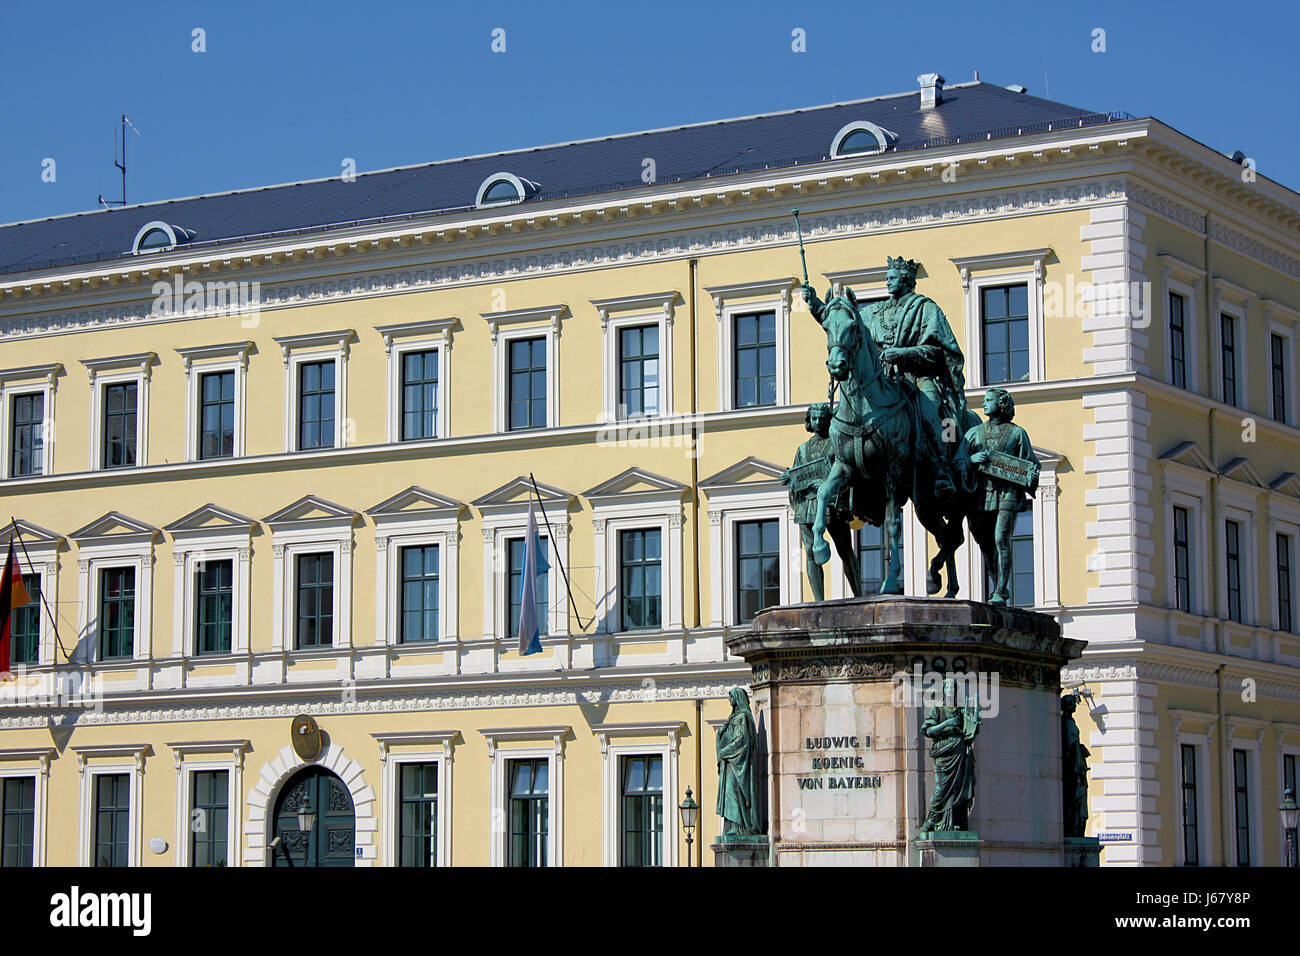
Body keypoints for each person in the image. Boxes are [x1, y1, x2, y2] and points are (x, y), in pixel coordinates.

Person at [803, 256, 974, 498]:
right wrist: (816, 306)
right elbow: (843, 324)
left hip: (918, 377)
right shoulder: (875, 311)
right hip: (883, 381)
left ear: (906, 280)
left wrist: (904, 353)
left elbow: (939, 351)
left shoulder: (926, 309)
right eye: (887, 278)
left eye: (892, 278)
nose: (887, 282)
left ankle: (942, 470)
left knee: (935, 414)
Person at [959, 386, 1039, 605]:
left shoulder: (1017, 433)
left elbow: (1032, 465)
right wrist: (971, 460)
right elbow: (957, 461)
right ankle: (997, 585)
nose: (983, 403)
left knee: (1001, 538)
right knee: (985, 543)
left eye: (988, 400)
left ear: (1001, 403)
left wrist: (1026, 474)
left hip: (1008, 494)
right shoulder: (974, 433)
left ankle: (1001, 591)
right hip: (981, 494)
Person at [781, 403, 861, 601]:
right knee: (810, 552)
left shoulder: (837, 444)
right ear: (809, 421)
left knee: (845, 550)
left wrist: (826, 484)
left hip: (833, 504)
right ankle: (819, 601)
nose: (818, 422)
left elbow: (847, 474)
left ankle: (859, 595)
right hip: (807, 505)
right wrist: (789, 479)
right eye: (814, 419)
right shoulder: (802, 449)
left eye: (822, 418)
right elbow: (797, 478)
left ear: (829, 419)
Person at [920, 677, 981, 832]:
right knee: (941, 788)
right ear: (944, 690)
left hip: (959, 755)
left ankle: (954, 822)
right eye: (948, 687)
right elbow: (928, 731)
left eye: (953, 688)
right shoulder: (938, 710)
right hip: (944, 754)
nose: (950, 690)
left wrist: (974, 724)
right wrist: (946, 724)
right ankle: (931, 821)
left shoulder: (961, 712)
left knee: (957, 789)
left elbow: (969, 733)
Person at [715, 687, 761, 835]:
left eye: (731, 697)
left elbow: (742, 740)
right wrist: (720, 735)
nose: (729, 700)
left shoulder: (742, 717)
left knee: (733, 791)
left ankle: (738, 827)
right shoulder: (734, 718)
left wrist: (725, 751)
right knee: (729, 793)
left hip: (737, 763)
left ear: (737, 698)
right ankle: (731, 826)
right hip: (730, 763)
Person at [1061, 694, 1091, 838]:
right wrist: (1078, 750)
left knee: (1079, 803)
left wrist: (1080, 747)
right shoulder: (1067, 723)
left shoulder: (1069, 722)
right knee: (1076, 802)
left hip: (1077, 767)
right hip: (1074, 769)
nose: (1075, 705)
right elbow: (1070, 747)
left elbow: (1073, 745)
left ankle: (1077, 831)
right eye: (1072, 703)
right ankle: (1074, 831)